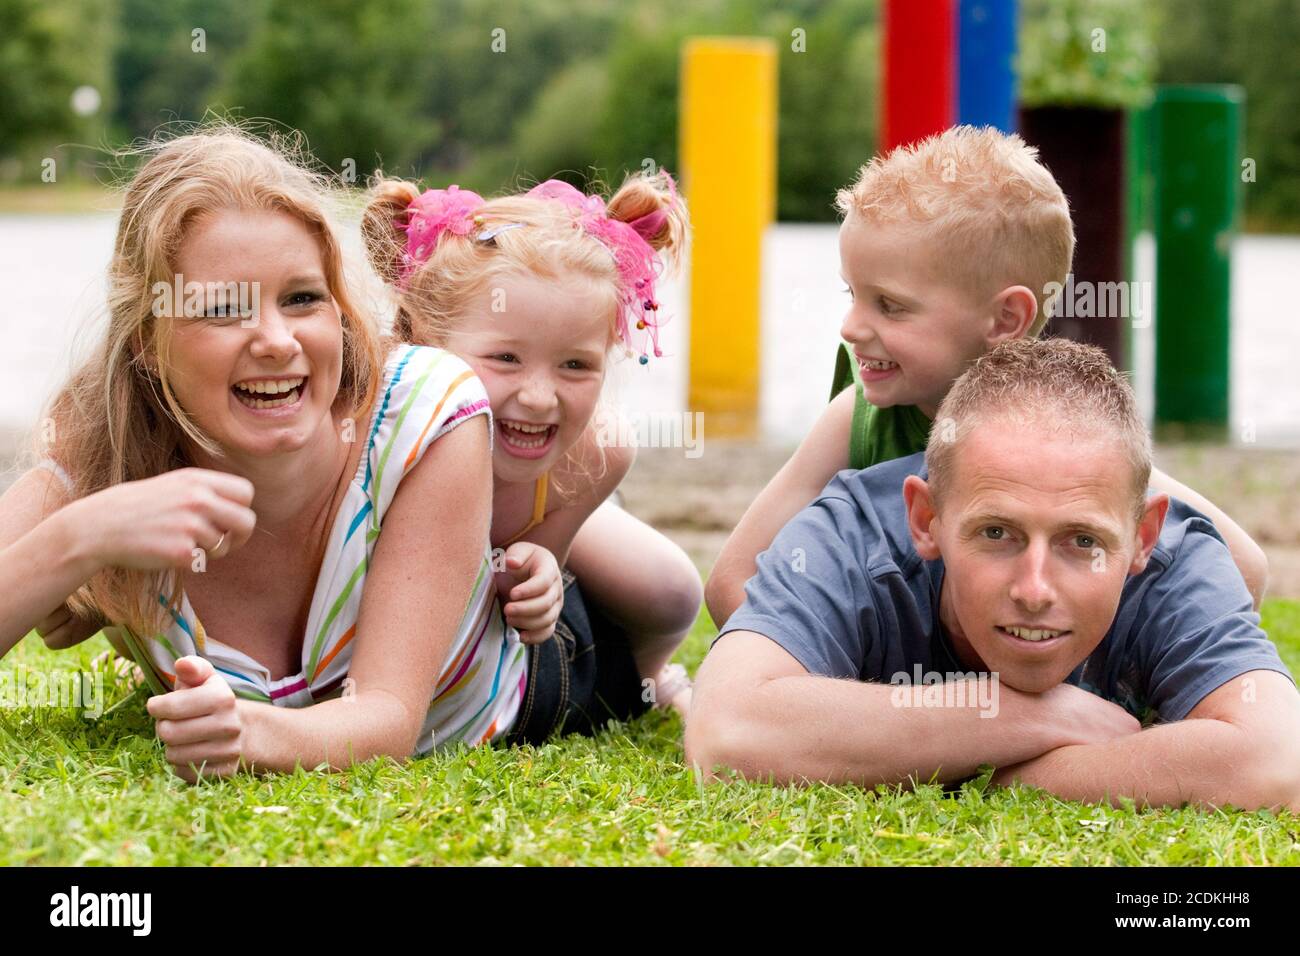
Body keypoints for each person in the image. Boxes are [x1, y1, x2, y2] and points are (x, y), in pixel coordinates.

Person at [0, 127, 525, 782]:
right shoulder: (103, 445)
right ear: (146, 343)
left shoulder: (424, 413)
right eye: (223, 309)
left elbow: (388, 718)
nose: (275, 341)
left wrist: (244, 731)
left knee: (622, 574)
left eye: (303, 298)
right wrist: (80, 538)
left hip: (546, 679)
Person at [688, 338, 1300, 812]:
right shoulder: (850, 535)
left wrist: (999, 776)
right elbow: (727, 731)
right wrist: (1032, 718)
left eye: (1080, 541)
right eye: (996, 534)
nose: (1034, 590)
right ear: (924, 519)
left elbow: (1279, 756)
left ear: (1143, 537)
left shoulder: (1178, 565)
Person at [705, 126, 1269, 628]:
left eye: (890, 306)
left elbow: (1243, 568)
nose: (851, 328)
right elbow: (732, 580)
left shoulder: (1071, 435)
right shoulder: (857, 420)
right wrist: (851, 688)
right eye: (852, 295)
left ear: (1005, 319)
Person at [360, 170, 703, 737]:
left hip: (541, 499)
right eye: (505, 359)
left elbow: (533, 557)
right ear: (425, 339)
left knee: (670, 588)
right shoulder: (380, 422)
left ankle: (651, 676)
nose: (540, 396)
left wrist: (537, 570)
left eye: (575, 364)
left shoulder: (599, 448)